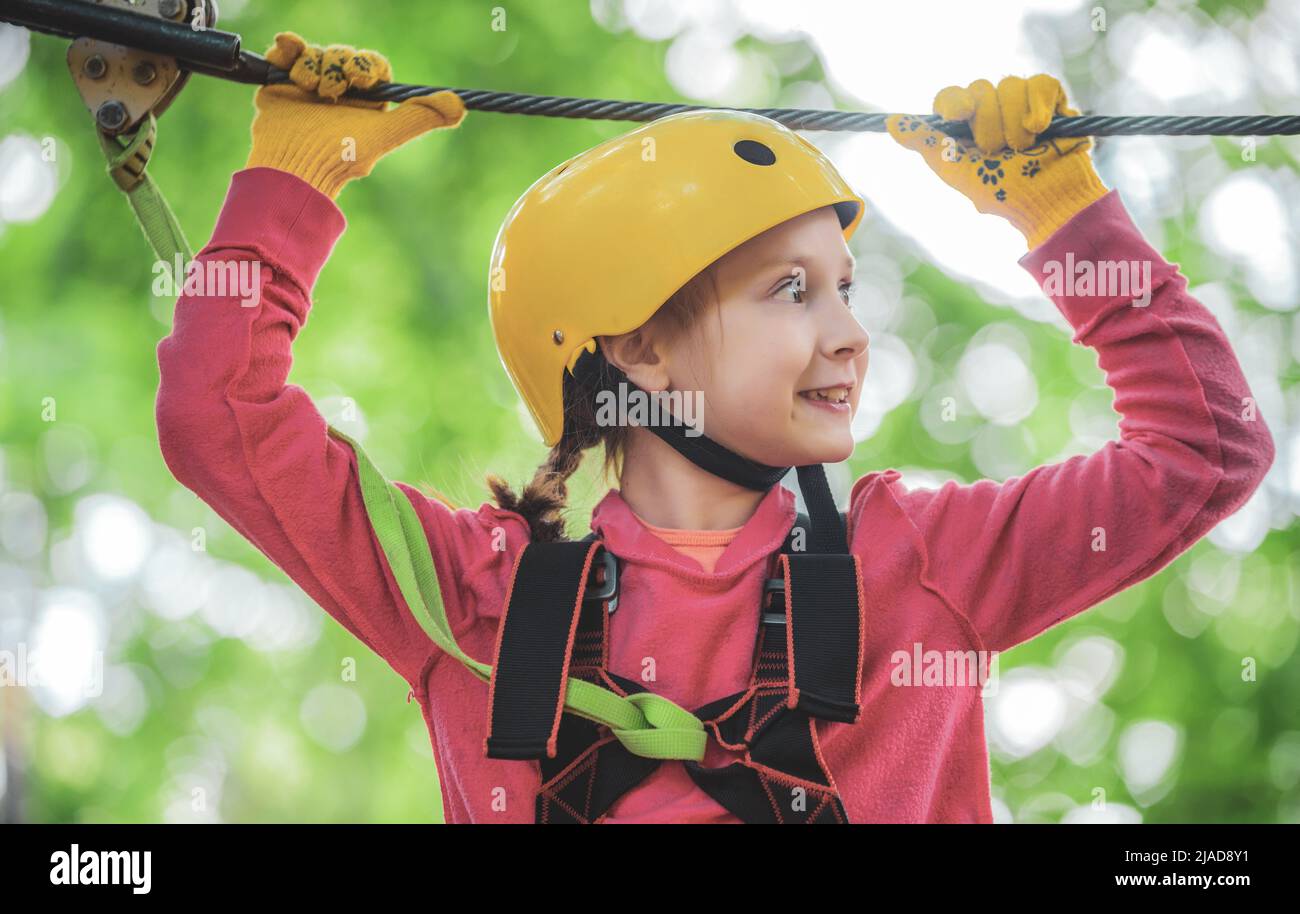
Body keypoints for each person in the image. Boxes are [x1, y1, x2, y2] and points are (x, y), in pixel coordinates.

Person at [155, 34, 1275, 823]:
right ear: (634, 348)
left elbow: (1208, 448)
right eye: (792, 291)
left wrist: (1063, 214)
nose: (849, 335)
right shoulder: (475, 602)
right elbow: (216, 416)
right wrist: (289, 181)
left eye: (846, 288)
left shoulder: (921, 567)